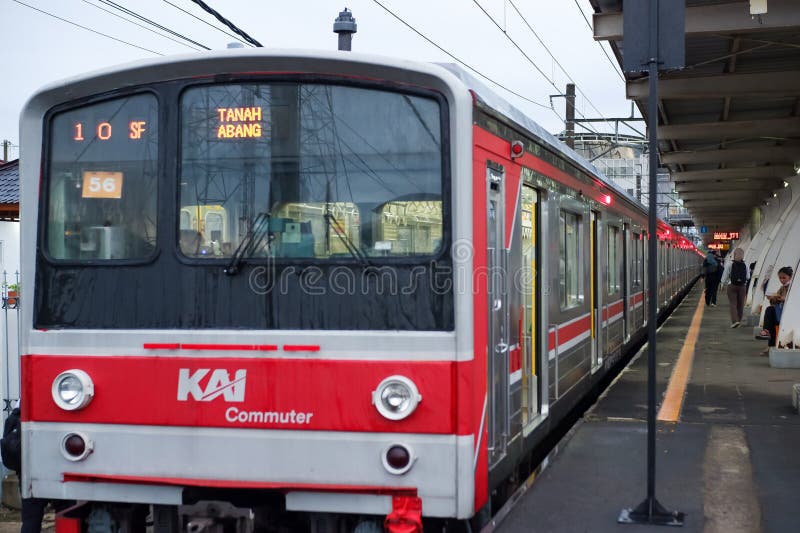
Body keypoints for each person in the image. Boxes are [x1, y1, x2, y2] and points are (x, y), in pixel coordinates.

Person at [1, 405, 70, 533]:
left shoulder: (17, 414)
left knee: (30, 520)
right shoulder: (64, 408)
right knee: (66, 516)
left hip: (30, 475)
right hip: (59, 473)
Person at [758, 266, 793, 355]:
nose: (782, 280)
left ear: (790, 277)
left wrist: (783, 299)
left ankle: (767, 333)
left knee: (770, 312)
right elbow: (774, 303)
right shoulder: (782, 288)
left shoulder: (793, 288)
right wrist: (772, 298)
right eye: (780, 278)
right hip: (781, 313)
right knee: (770, 314)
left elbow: (794, 302)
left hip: (790, 315)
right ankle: (768, 337)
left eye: (784, 278)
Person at [720, 248, 750, 327]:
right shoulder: (746, 265)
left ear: (734, 255)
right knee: (740, 304)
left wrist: (722, 284)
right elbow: (748, 277)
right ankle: (738, 321)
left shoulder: (729, 264)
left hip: (731, 285)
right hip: (742, 286)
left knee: (733, 304)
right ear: (742, 256)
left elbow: (725, 275)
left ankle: (735, 321)